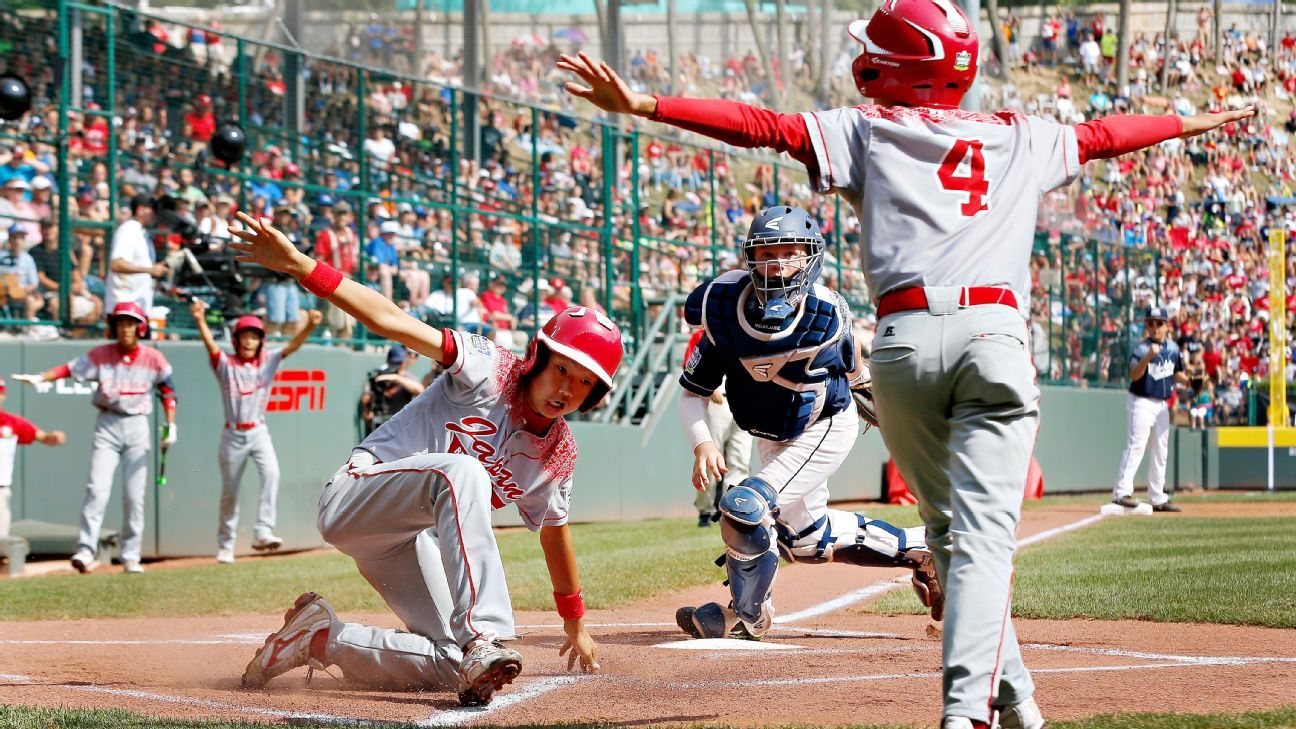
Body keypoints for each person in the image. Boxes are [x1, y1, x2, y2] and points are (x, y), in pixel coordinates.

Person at [557, 1, 1249, 724]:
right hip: (994, 337)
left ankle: (1018, 708)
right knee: (980, 542)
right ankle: (966, 713)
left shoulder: (865, 128)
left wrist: (645, 102)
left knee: (954, 538)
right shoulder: (1024, 134)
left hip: (901, 343)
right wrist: (1188, 121)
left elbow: (761, 126)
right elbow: (1109, 135)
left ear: (899, 66)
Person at [228, 211, 623, 706]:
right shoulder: (487, 368)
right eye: (562, 369)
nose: (568, 388)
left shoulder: (558, 454)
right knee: (461, 471)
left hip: (406, 543)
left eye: (586, 382)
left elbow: (555, 535)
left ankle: (319, 637)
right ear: (539, 357)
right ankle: (484, 634)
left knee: (450, 665)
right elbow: (391, 320)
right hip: (358, 494)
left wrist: (576, 623)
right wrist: (302, 266)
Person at [672, 206, 939, 640]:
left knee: (744, 508)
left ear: (810, 258)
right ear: (749, 258)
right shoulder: (720, 306)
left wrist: (908, 437)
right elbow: (692, 393)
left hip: (823, 425)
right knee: (808, 542)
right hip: (770, 434)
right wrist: (702, 441)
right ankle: (922, 548)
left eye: (791, 252)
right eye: (766, 253)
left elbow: (860, 379)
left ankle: (747, 615)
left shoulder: (826, 314)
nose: (777, 263)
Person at [12, 302, 178, 574]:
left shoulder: (153, 357)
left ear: (141, 326)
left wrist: (171, 424)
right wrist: (43, 378)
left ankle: (131, 556)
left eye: (131, 323)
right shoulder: (102, 354)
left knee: (134, 496)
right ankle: (86, 550)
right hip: (108, 423)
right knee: (97, 488)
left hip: (138, 425)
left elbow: (169, 391)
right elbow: (70, 369)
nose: (126, 328)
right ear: (114, 326)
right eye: (121, 322)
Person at [190, 298, 324, 564]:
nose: (249, 341)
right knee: (230, 491)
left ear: (260, 340)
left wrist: (309, 325)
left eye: (254, 337)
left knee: (272, 473)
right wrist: (199, 321)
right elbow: (210, 346)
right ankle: (226, 545)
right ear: (237, 339)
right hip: (232, 434)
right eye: (244, 336)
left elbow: (291, 346)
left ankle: (263, 530)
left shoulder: (268, 360)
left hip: (258, 431)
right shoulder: (226, 364)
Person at [1112, 307, 1187, 512]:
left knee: (1160, 451)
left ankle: (1157, 497)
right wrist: (1147, 358)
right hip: (1142, 401)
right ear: (1146, 325)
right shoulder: (1141, 349)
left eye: (1159, 323)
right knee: (1136, 446)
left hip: (1162, 404)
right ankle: (1121, 492)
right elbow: (1134, 375)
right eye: (1151, 323)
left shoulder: (1172, 348)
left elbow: (1177, 373)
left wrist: (1190, 382)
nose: (1155, 327)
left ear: (1166, 326)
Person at [680, 328, 752, 528]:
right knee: (712, 458)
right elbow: (689, 369)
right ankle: (705, 510)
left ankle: (735, 512)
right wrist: (709, 389)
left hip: (743, 401)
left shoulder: (751, 328)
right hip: (717, 400)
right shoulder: (703, 333)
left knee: (740, 461)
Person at [0, 375, 67, 540]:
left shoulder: (12, 423)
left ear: (3, 395)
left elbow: (42, 437)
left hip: (1, 488)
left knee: (1, 541)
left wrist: (53, 437)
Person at [105, 195, 168, 313]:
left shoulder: (143, 233)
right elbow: (116, 264)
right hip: (123, 308)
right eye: (153, 210)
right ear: (140, 210)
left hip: (138, 308)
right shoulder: (128, 229)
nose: (155, 215)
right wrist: (150, 270)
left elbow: (141, 270)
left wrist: (162, 287)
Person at [359, 344, 422, 437]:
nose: (396, 366)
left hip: (400, 425)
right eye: (394, 363)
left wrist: (396, 378)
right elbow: (366, 398)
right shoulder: (379, 376)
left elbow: (419, 390)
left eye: (399, 362)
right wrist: (367, 406)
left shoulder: (408, 378)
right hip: (379, 424)